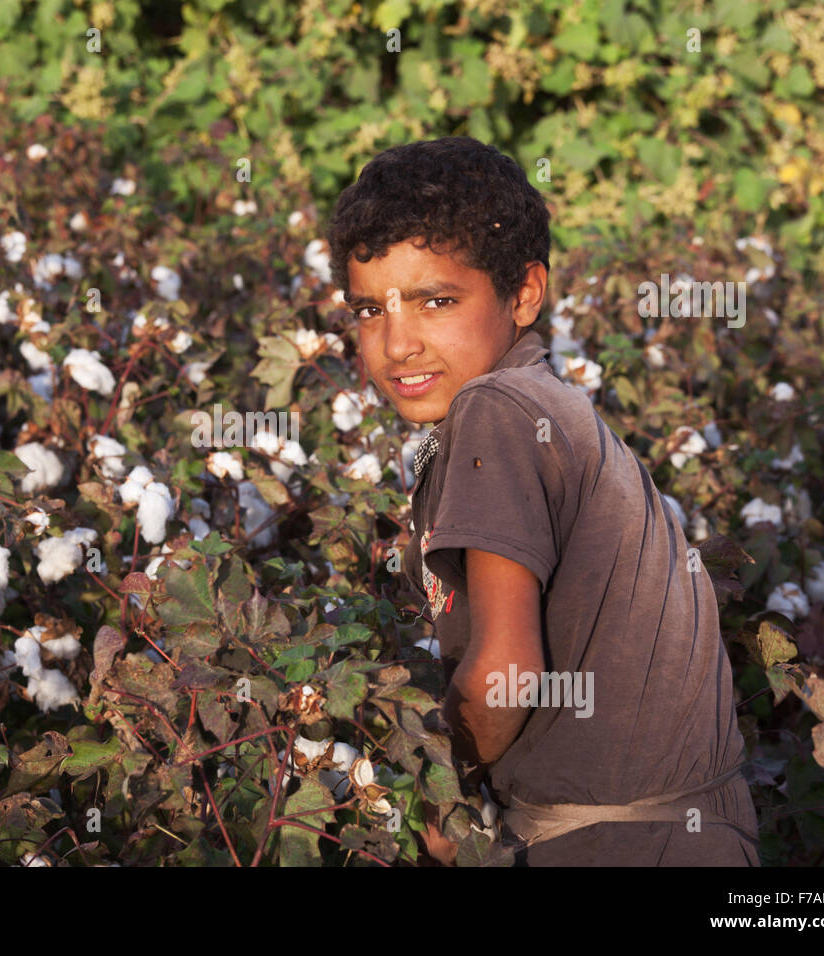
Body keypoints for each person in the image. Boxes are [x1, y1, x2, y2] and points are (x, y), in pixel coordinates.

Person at [324, 136, 759, 866]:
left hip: (619, 845)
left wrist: (435, 798)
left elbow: (507, 671)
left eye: (438, 301)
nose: (397, 344)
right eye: (371, 311)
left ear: (524, 293)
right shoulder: (546, 408)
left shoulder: (498, 409)